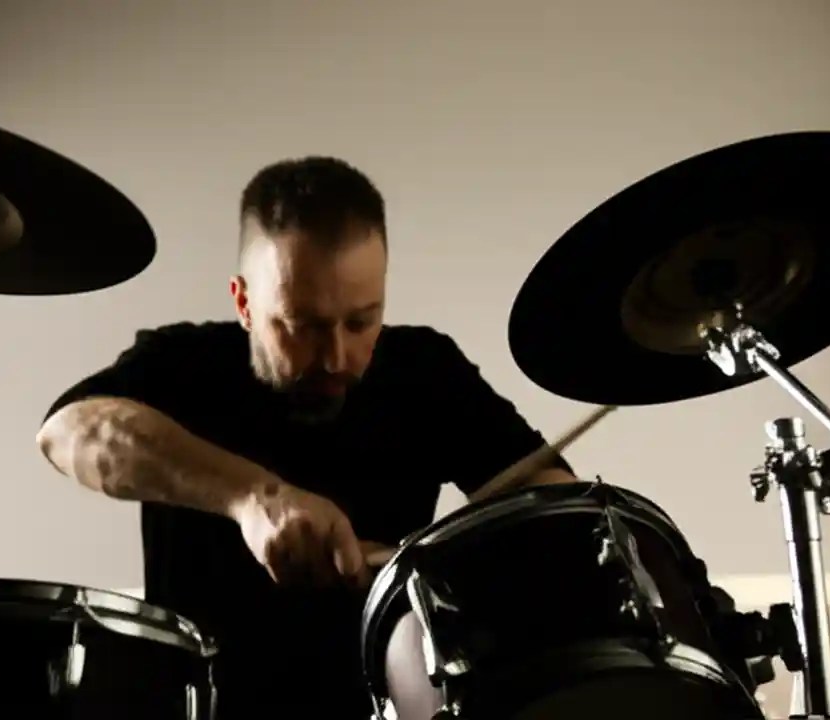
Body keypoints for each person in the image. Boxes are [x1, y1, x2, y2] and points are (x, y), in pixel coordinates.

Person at [36, 156, 578, 719]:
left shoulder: (425, 370)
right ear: (244, 303)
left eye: (361, 321)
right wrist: (254, 497)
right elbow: (65, 430)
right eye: (304, 327)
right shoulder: (184, 364)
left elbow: (554, 502)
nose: (337, 356)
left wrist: (438, 569)